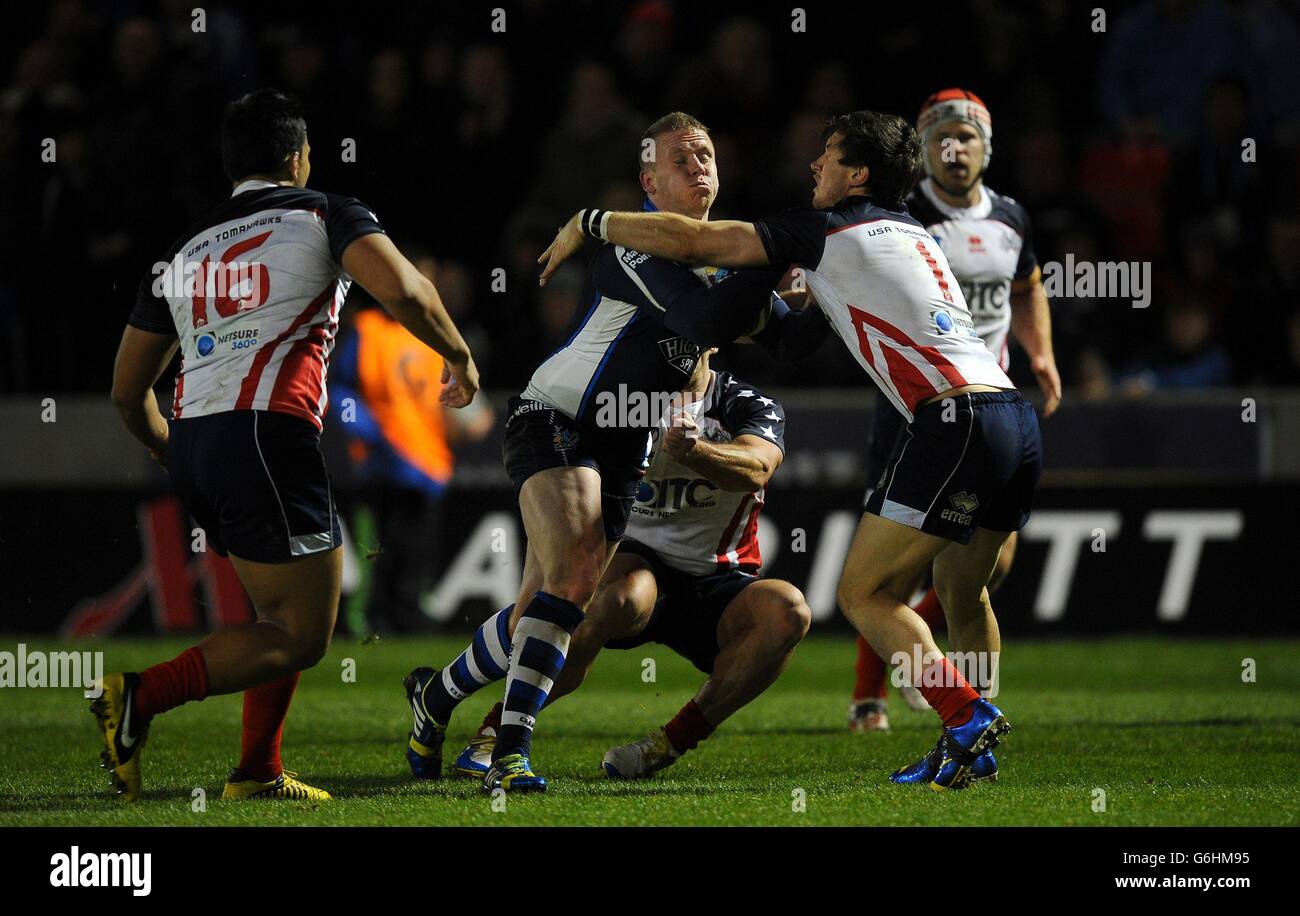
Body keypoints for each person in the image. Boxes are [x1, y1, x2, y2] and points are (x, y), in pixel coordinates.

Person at [540, 109, 1043, 790]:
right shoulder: (913, 231)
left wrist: (591, 222)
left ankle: (964, 714)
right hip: (1012, 412)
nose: (814, 167)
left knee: (864, 593)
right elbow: (794, 330)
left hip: (952, 415)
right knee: (965, 592)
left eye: (829, 155)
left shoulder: (823, 227)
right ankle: (967, 748)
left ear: (857, 174)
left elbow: (692, 245)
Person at [99, 89, 478, 802]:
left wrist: (166, 451)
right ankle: (136, 699)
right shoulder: (323, 211)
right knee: (304, 635)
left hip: (198, 441)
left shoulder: (182, 252)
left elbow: (126, 390)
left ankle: (257, 772)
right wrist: (458, 356)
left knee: (276, 616)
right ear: (299, 158)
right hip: (267, 434)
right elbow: (406, 291)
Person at [401, 112, 793, 794]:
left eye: (707, 154)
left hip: (621, 448)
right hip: (555, 417)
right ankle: (511, 754)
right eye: (682, 157)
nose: (701, 164)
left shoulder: (718, 261)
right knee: (578, 580)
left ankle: (434, 700)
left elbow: (799, 340)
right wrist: (776, 269)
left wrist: (808, 288)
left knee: (539, 612)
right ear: (649, 181)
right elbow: (707, 319)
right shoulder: (636, 249)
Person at [448, 347, 810, 780]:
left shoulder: (747, 404)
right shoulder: (621, 400)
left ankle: (668, 743)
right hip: (637, 561)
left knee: (788, 612)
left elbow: (758, 468)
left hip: (721, 579)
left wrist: (696, 453)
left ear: (711, 343)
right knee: (612, 597)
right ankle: (495, 732)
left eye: (691, 336)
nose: (676, 347)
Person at [849, 89, 1059, 732]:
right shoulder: (902, 215)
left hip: (993, 407)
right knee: (893, 569)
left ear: (985, 147)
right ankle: (871, 700)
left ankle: (958, 695)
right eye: (942, 137)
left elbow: (1027, 287)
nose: (955, 148)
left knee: (984, 569)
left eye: (967, 136)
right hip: (918, 407)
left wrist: (1042, 356)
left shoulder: (1011, 219)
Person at [331, 291, 494, 634]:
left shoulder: (432, 337)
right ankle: (368, 620)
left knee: (417, 550)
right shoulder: (369, 329)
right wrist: (369, 430)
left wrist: (467, 415)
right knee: (378, 548)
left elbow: (466, 410)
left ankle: (406, 615)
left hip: (427, 465)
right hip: (382, 465)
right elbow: (340, 390)